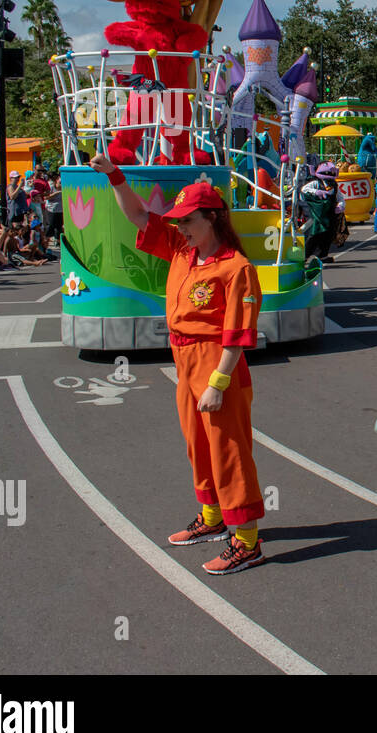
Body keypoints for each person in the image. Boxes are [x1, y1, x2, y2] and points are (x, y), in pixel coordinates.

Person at [91, 151, 267, 572]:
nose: (180, 226)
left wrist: (217, 383)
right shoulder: (183, 251)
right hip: (185, 359)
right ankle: (213, 519)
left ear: (213, 218)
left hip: (216, 365)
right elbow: (137, 214)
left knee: (229, 451)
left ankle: (247, 541)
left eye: (188, 220)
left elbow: (238, 335)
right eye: (179, 220)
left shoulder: (236, 268)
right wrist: (114, 175)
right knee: (198, 446)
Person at [299, 162, 344, 261]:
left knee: (329, 234)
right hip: (319, 213)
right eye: (327, 172)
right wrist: (316, 192)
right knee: (315, 234)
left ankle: (322, 255)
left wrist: (340, 206)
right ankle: (305, 255)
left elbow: (340, 198)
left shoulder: (334, 185)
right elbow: (304, 190)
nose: (329, 175)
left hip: (331, 213)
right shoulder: (316, 183)